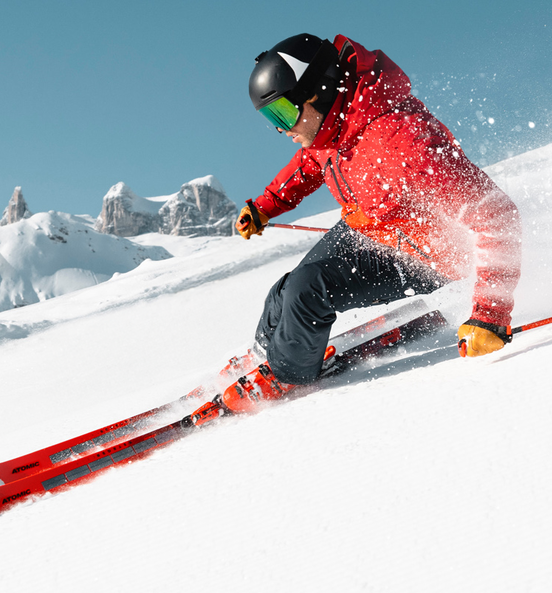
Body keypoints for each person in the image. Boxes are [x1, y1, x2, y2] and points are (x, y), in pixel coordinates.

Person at [222, 33, 522, 410]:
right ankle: (264, 353)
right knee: (284, 292)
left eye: (283, 112)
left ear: (318, 91)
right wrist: (265, 206)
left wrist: (490, 315)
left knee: (306, 292)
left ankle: (289, 374)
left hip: (420, 254)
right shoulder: (331, 126)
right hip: (367, 226)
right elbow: (309, 165)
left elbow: (497, 216)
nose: (282, 129)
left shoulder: (403, 140)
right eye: (271, 118)